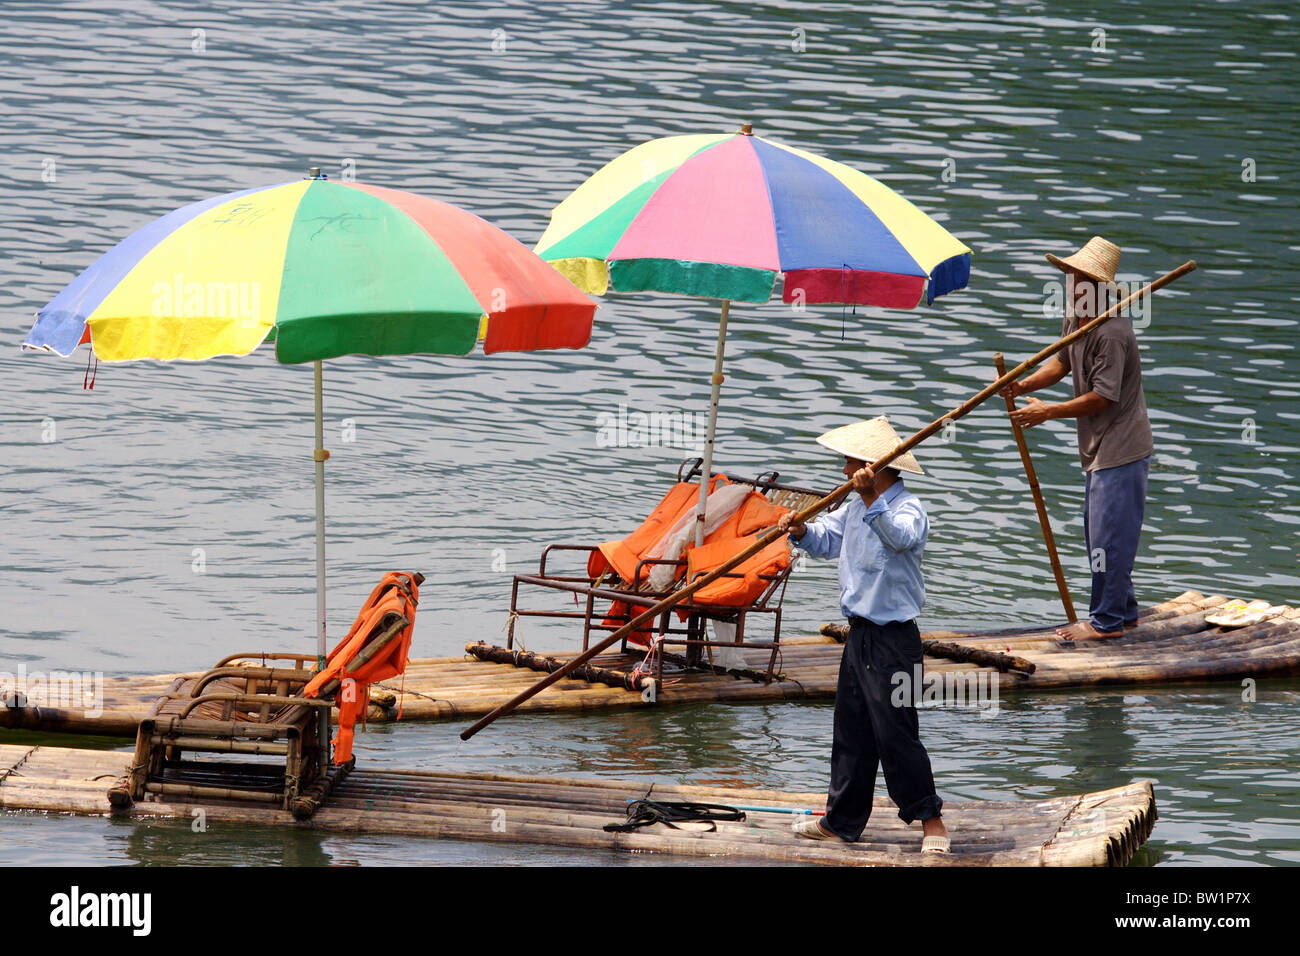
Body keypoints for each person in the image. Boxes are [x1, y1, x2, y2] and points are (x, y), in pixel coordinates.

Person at [776, 416, 949, 853]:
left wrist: (872, 496)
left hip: (895, 642)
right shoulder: (852, 505)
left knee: (896, 730)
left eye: (849, 461)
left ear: (873, 466)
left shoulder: (909, 508)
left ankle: (932, 823)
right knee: (851, 729)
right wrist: (800, 531)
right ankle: (841, 821)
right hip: (858, 638)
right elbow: (826, 539)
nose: (843, 471)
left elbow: (898, 539)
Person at [1003, 236, 1152, 641]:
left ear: (1099, 287)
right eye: (1069, 277)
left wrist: (1046, 411)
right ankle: (1126, 612)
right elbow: (1061, 362)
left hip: (1122, 448)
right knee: (1099, 534)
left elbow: (1104, 397)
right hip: (1097, 448)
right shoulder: (1076, 318)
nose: (1071, 286)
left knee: (1108, 538)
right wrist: (1023, 385)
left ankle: (1105, 624)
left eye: (1078, 279)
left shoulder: (1113, 332)